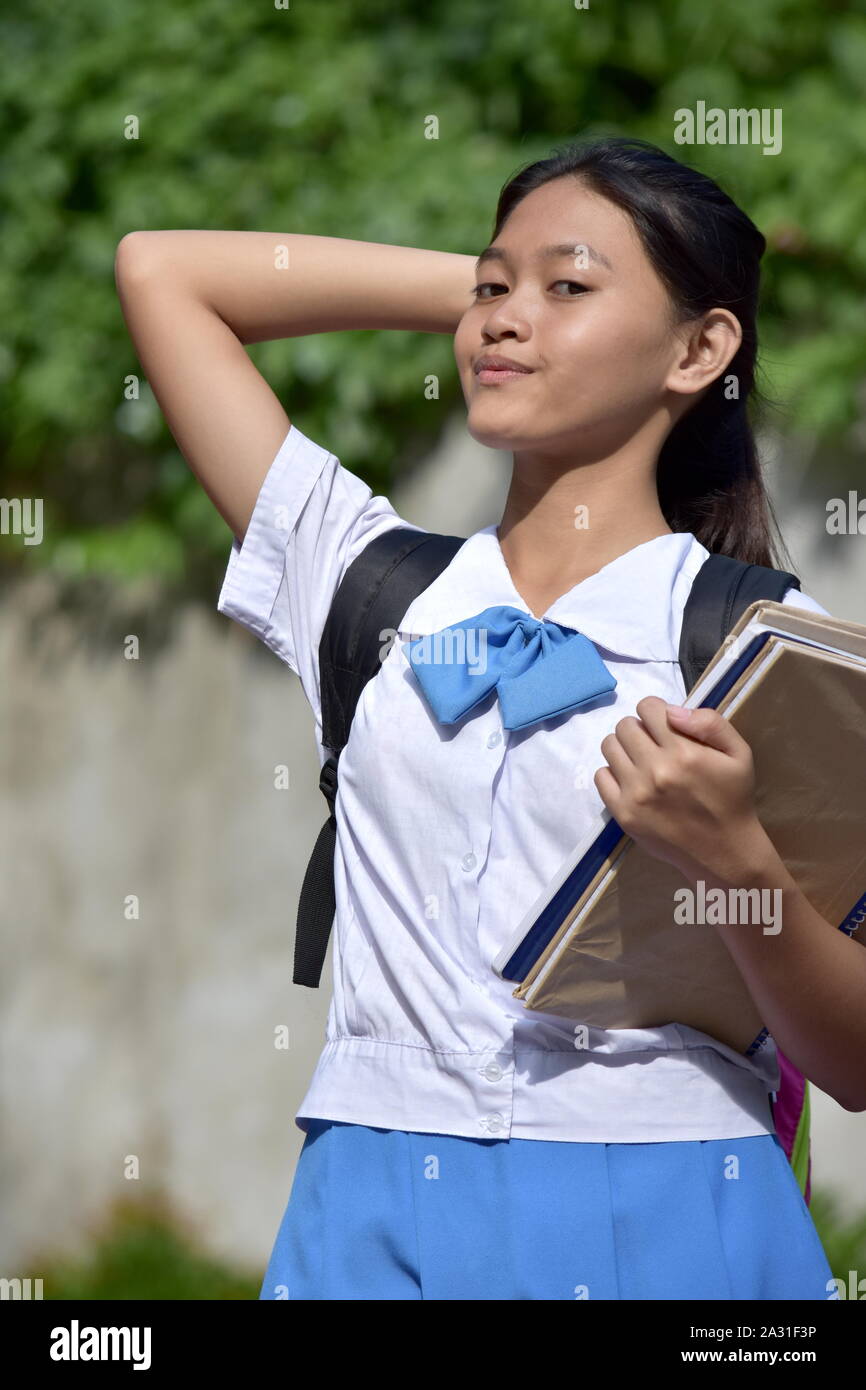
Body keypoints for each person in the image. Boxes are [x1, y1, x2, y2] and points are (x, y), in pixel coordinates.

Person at [115, 135, 864, 1301]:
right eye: (491, 287)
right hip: (364, 1199)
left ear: (699, 347)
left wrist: (735, 857)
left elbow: (853, 1058)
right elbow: (163, 272)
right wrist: (489, 297)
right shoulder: (365, 583)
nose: (505, 318)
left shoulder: (760, 645)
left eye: (567, 285)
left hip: (669, 1200)